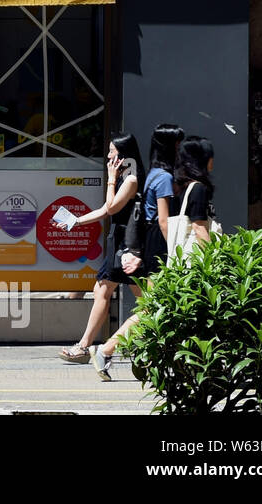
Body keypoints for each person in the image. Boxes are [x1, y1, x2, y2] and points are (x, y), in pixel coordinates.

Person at [89, 125, 194, 380]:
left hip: (152, 245)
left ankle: (145, 356)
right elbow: (162, 220)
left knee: (154, 306)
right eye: (178, 145)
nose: (181, 150)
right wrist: (177, 252)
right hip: (160, 246)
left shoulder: (155, 174)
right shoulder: (163, 178)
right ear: (171, 147)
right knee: (152, 307)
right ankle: (106, 349)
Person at [57, 133, 143, 363]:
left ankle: (89, 347)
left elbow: (112, 208)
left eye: (112, 151)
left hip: (128, 245)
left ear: (123, 154)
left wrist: (111, 178)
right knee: (102, 290)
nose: (108, 156)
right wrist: (76, 221)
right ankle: (85, 346)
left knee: (144, 302)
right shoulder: (127, 177)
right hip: (119, 241)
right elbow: (106, 209)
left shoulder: (131, 180)